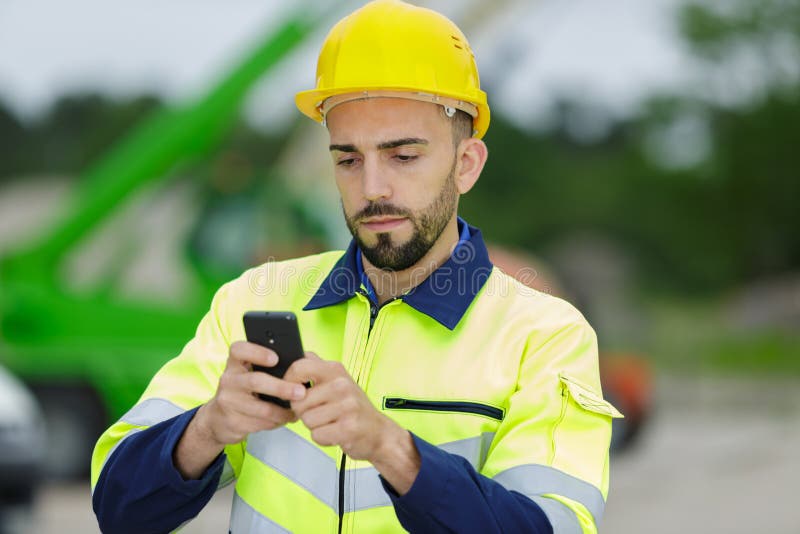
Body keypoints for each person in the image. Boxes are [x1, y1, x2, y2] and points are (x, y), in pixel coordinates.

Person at [91, 1, 621, 532]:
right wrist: (207, 428)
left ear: (466, 165)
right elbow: (118, 509)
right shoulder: (255, 300)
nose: (372, 189)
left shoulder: (545, 337)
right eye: (348, 159)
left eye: (403, 156)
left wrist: (391, 449)